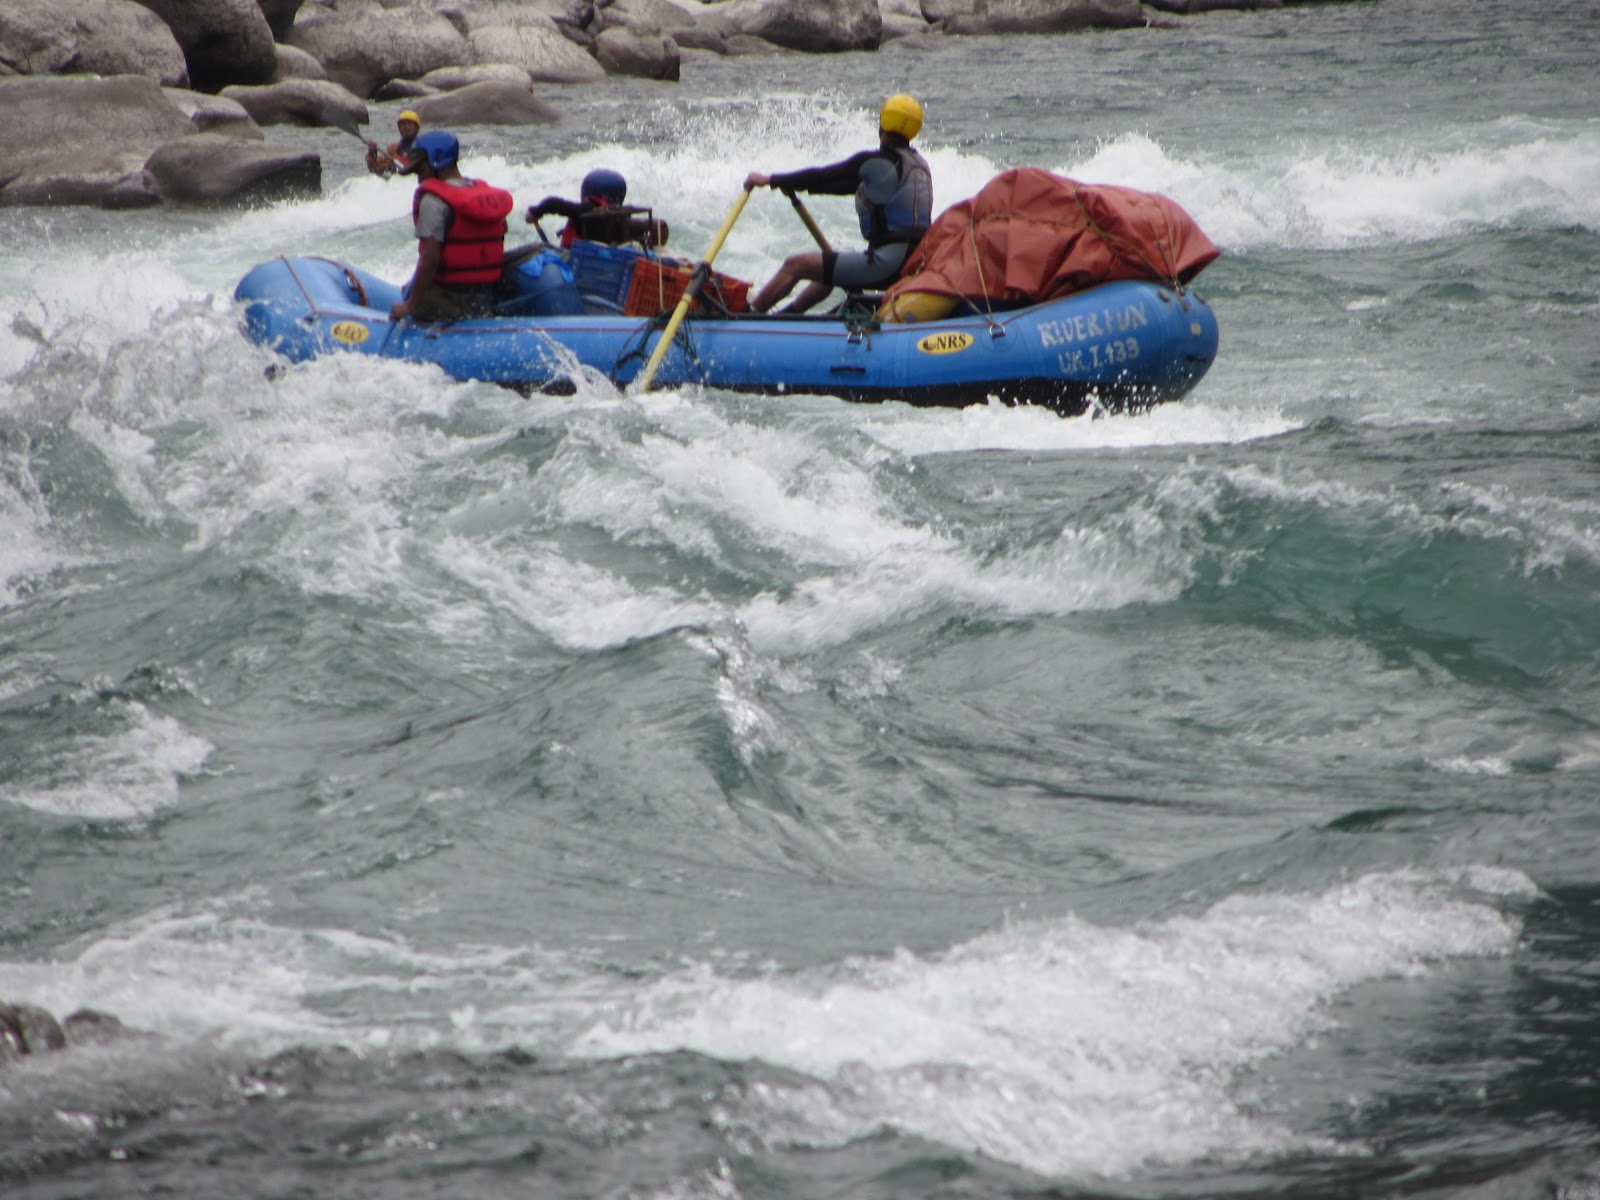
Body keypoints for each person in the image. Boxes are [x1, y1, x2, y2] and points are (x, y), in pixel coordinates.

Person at [743, 94, 933, 314]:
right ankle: (789, 316)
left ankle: (749, 316)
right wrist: (791, 185)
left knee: (795, 265)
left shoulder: (875, 162)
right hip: (915, 264)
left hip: (887, 265)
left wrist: (770, 180)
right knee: (828, 271)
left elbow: (824, 176)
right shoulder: (918, 165)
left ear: (882, 125)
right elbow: (842, 184)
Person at [389, 130, 514, 324]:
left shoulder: (433, 200)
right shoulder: (482, 194)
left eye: (421, 170)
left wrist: (410, 305)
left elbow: (430, 258)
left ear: (435, 162)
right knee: (408, 287)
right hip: (486, 296)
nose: (419, 178)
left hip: (450, 300)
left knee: (407, 294)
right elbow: (502, 230)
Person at [524, 168, 669, 249]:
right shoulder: (621, 216)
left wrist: (535, 212)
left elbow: (553, 203)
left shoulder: (586, 210)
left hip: (578, 262)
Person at [366, 110, 420, 178]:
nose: (406, 127)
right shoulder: (392, 151)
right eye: (403, 124)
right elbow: (375, 169)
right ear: (399, 128)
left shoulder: (424, 147)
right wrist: (372, 153)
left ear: (416, 128)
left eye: (410, 123)